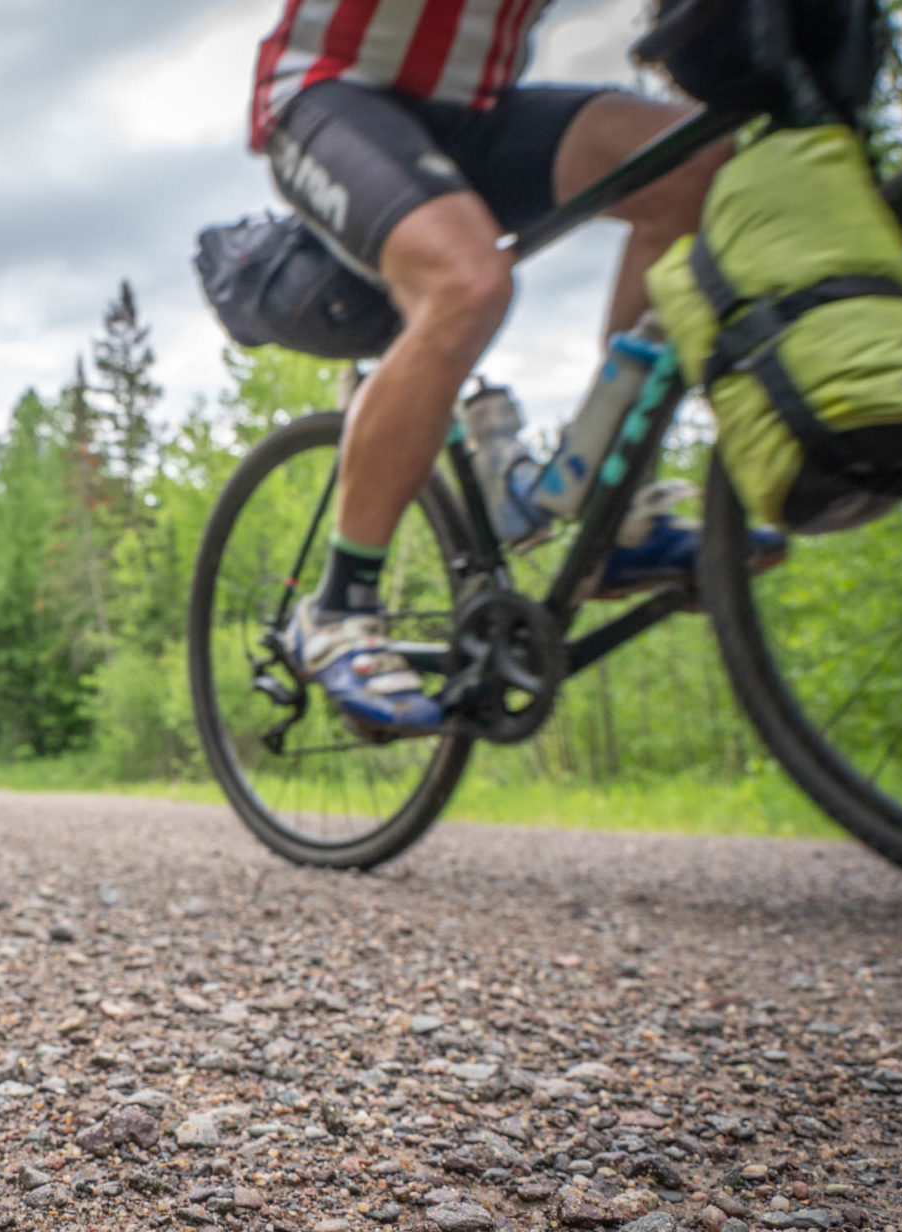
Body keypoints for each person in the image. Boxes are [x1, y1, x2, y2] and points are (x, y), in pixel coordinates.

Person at [253, 0, 746, 735]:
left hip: (475, 114)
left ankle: (611, 508)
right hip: (329, 94)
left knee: (703, 163)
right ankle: (337, 606)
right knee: (467, 284)